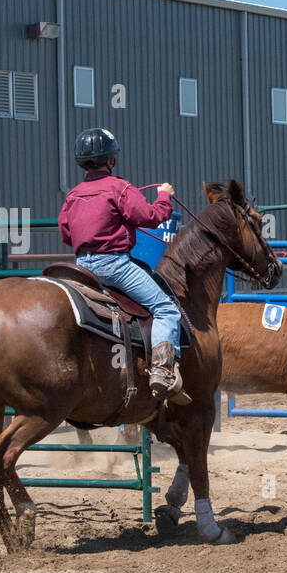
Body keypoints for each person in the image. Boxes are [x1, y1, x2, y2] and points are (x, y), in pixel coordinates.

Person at [58, 128, 184, 399]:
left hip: (81, 267)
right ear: (111, 160)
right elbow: (151, 216)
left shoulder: (73, 195)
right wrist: (165, 196)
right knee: (166, 310)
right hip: (114, 265)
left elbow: (67, 234)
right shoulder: (120, 188)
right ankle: (162, 371)